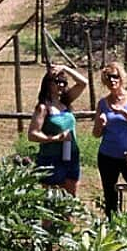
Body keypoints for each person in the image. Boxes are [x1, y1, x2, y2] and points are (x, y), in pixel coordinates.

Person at [91, 61, 127, 215]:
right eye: (108, 77)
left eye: (115, 76)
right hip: (107, 156)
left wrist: (125, 114)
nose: (112, 80)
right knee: (110, 195)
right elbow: (96, 134)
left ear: (122, 78)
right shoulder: (103, 103)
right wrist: (100, 123)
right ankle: (112, 228)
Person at [27, 63, 88, 196]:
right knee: (52, 204)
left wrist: (65, 68)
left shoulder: (65, 102)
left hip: (71, 156)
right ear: (48, 84)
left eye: (64, 82)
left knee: (70, 202)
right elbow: (32, 134)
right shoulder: (43, 108)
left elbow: (83, 83)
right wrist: (55, 138)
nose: (61, 85)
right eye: (57, 81)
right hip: (51, 158)